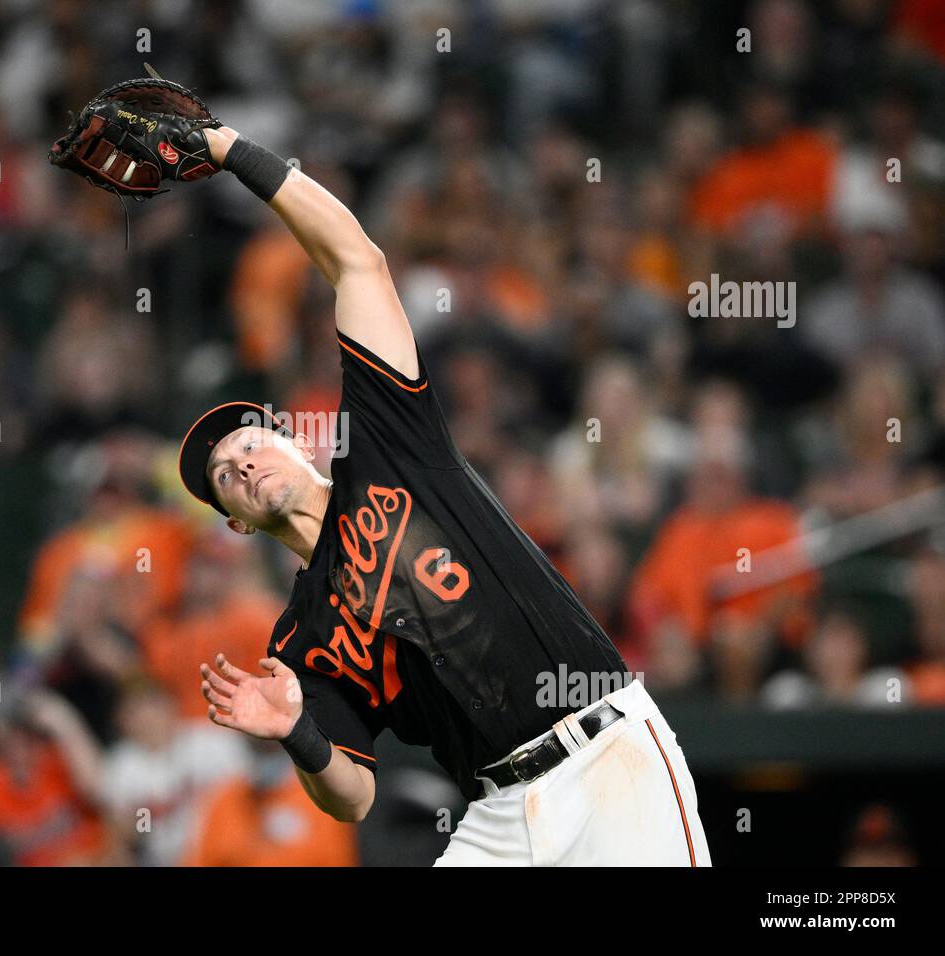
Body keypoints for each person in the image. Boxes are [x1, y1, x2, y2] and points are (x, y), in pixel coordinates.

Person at [172, 123, 711, 865]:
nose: (242, 463)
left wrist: (232, 150)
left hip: (603, 754)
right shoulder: (298, 641)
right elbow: (351, 795)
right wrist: (298, 734)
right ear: (234, 522)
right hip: (496, 812)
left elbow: (358, 264)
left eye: (251, 440)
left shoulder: (390, 447)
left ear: (299, 437)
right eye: (224, 476)